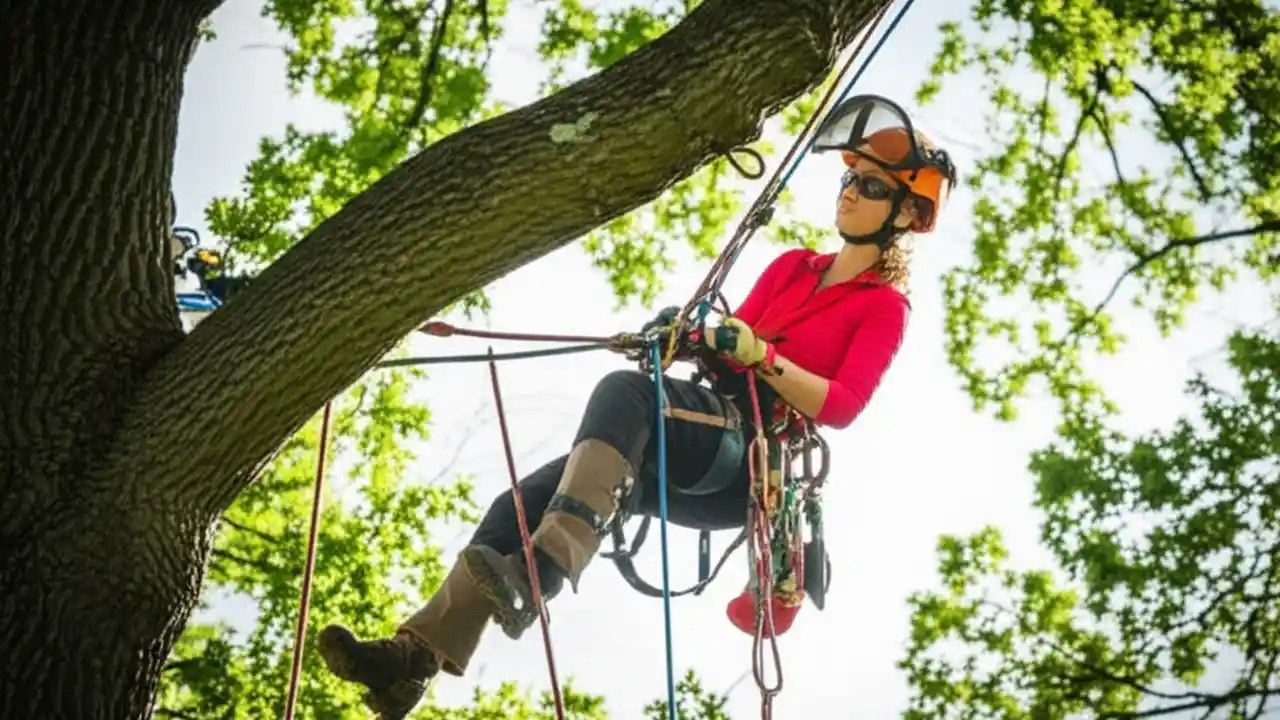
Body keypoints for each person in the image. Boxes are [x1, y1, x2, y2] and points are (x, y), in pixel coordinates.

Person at [315, 94, 957, 719]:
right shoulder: (792, 267)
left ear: (905, 214)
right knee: (519, 502)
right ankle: (409, 662)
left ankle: (544, 568)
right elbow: (726, 350)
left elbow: (842, 406)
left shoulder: (883, 307)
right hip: (692, 430)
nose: (849, 192)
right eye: (851, 178)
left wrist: (763, 356)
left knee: (622, 395)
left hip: (744, 461)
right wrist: (690, 335)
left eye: (873, 188)